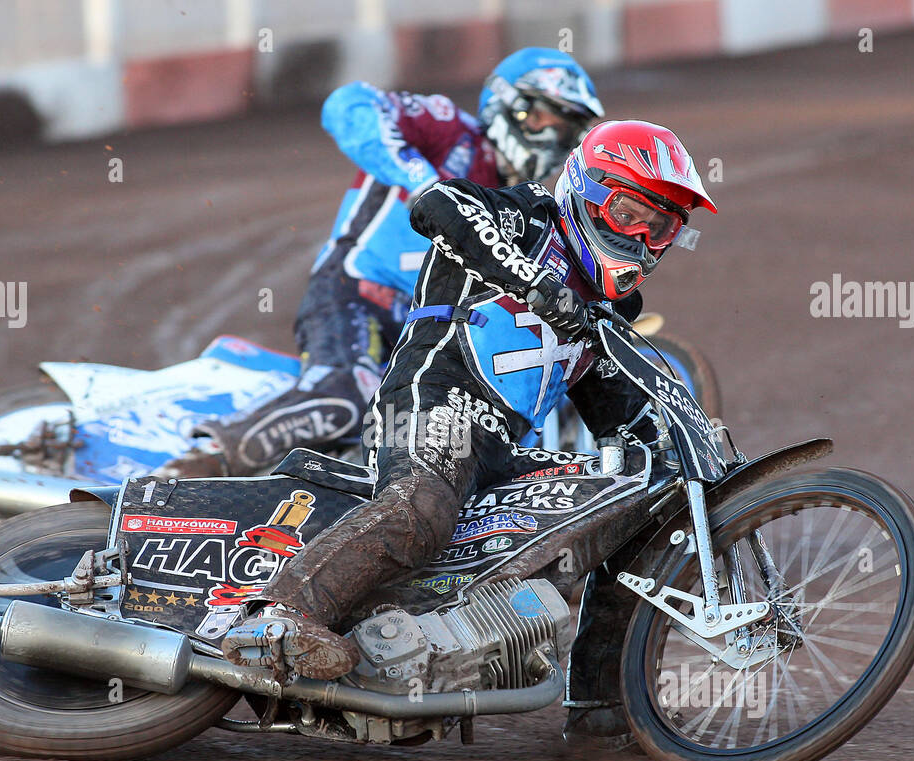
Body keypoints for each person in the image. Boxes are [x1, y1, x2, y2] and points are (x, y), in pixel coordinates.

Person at [220, 120, 718, 681]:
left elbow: (614, 413)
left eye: (662, 229)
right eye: (628, 216)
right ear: (587, 190)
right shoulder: (525, 217)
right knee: (421, 511)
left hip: (500, 450)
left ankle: (602, 705)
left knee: (627, 505)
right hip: (429, 403)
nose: (641, 241)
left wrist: (669, 451)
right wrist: (531, 281)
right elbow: (435, 203)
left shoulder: (608, 310)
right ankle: (278, 616)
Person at [168, 48, 604, 477]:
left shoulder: (520, 206)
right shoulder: (450, 131)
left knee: (472, 422)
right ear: (511, 104)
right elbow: (346, 104)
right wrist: (423, 182)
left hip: (428, 327)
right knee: (344, 396)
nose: (557, 140)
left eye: (570, 132)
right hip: (356, 295)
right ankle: (201, 462)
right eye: (551, 119)